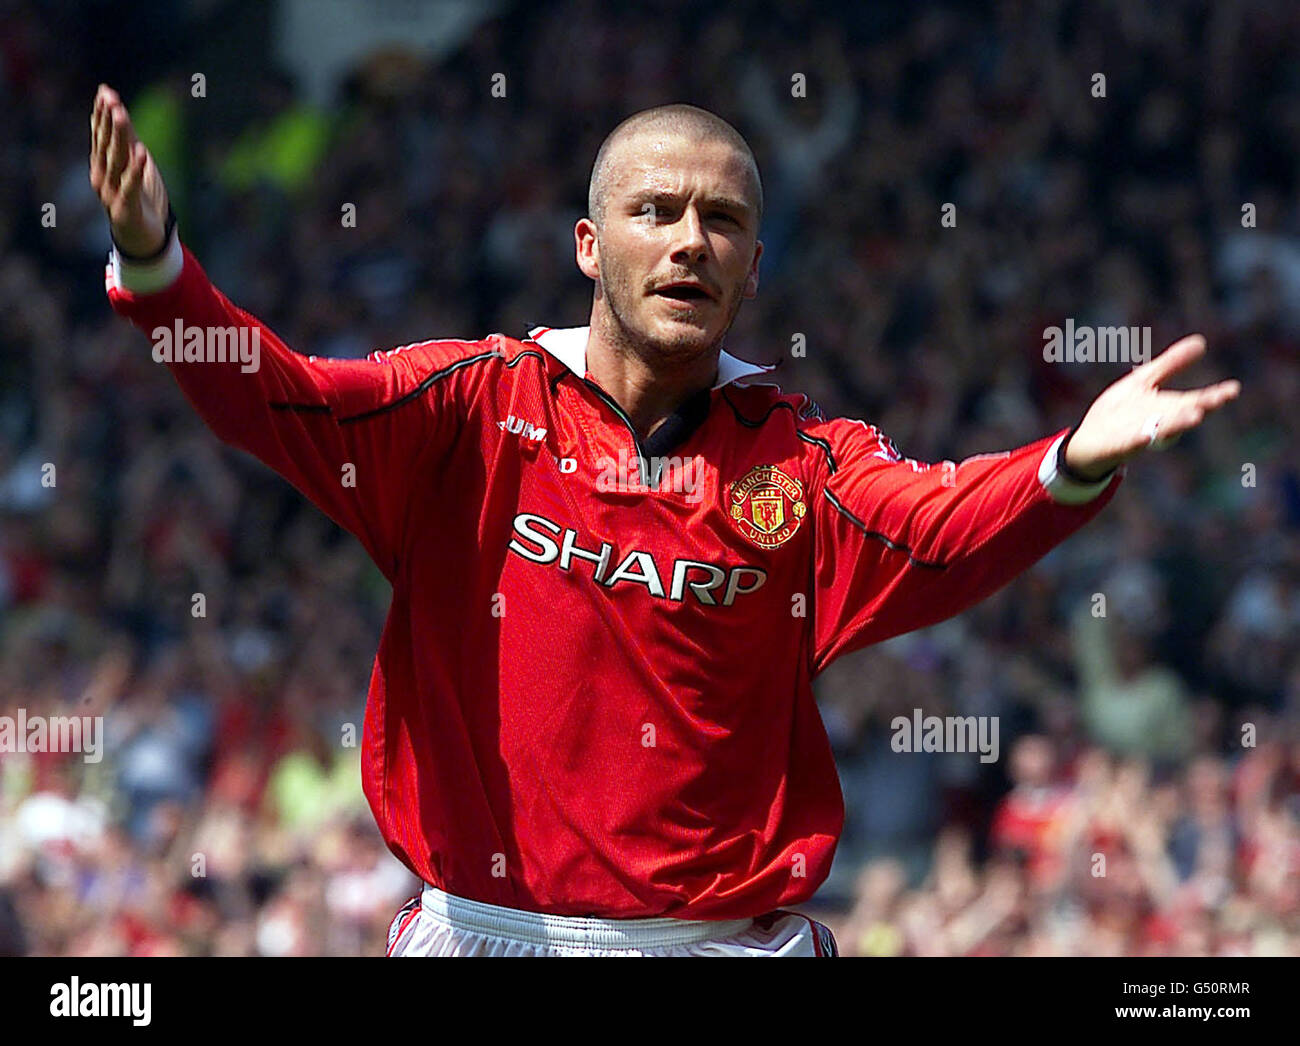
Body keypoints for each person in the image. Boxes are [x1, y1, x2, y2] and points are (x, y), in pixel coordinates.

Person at [89, 83, 1240, 956]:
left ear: (749, 274)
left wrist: (1073, 458)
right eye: (655, 210)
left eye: (723, 221)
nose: (690, 238)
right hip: (486, 930)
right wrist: (158, 262)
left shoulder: (796, 462)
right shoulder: (471, 407)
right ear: (590, 247)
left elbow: (937, 522)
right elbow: (273, 390)